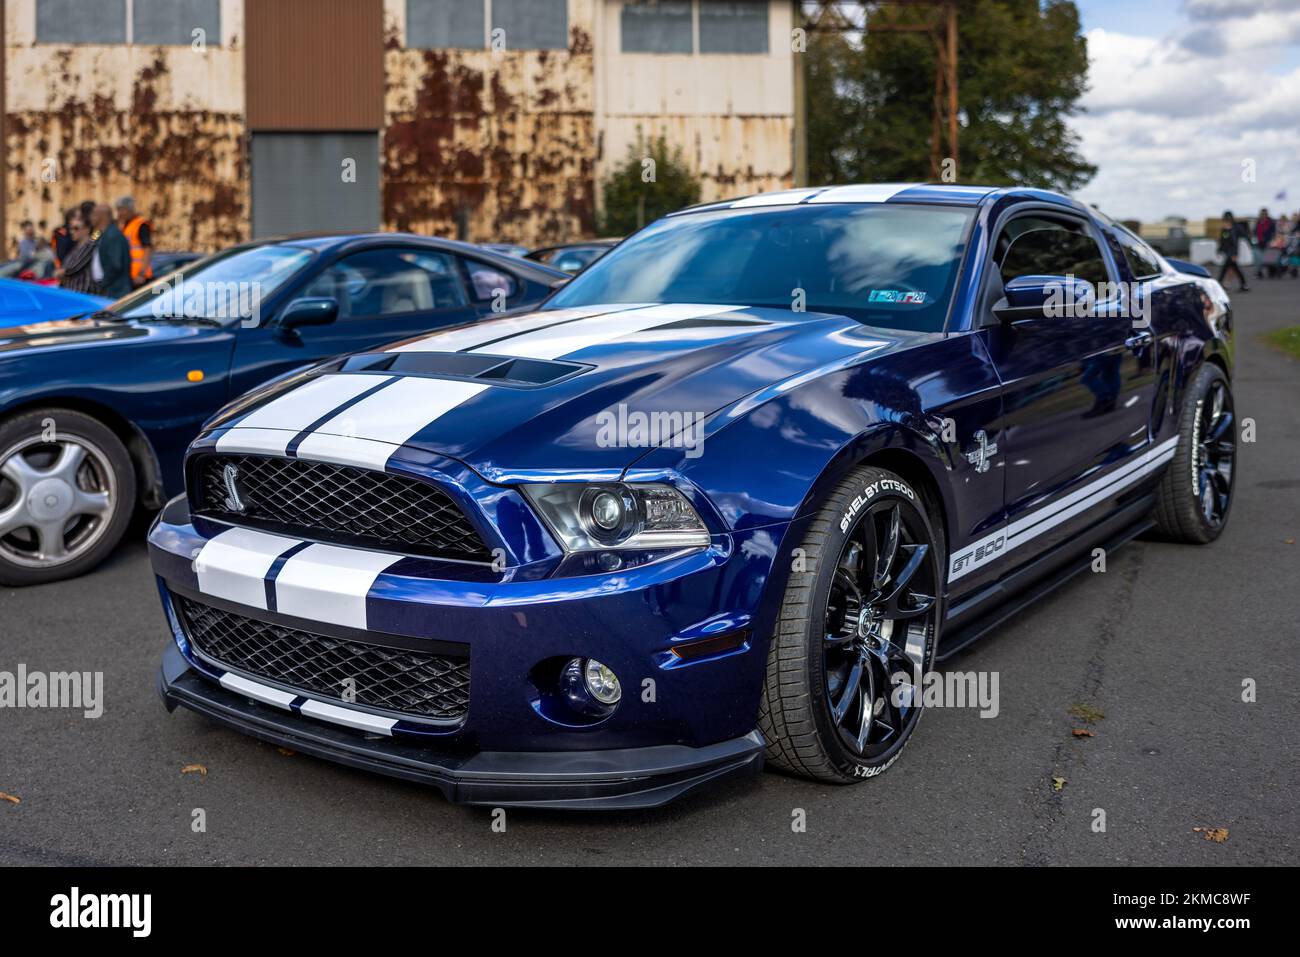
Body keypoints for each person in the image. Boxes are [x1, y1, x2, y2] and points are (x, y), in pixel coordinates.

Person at [90, 203, 132, 298]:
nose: (91, 218)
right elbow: (90, 243)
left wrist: (104, 282)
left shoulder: (113, 235)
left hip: (116, 290)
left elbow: (115, 265)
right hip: (108, 288)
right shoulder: (101, 233)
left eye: (94, 215)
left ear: (102, 217)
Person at [56, 211, 100, 294]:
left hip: (84, 295)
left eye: (76, 228)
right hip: (71, 295)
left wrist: (61, 272)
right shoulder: (75, 248)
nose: (72, 231)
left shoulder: (90, 245)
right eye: (71, 228)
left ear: (87, 229)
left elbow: (73, 267)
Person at [115, 196, 153, 287]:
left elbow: (147, 249)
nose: (119, 213)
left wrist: (141, 274)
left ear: (130, 209)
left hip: (139, 277)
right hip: (128, 276)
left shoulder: (141, 225)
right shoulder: (124, 225)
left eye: (121, 210)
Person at [1217, 211, 1250, 292]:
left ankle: (1218, 284)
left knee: (1225, 269)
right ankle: (1244, 285)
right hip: (1227, 252)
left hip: (1231, 253)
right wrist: (1220, 249)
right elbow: (1223, 241)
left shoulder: (1234, 229)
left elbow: (1235, 243)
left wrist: (1234, 254)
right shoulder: (1225, 230)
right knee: (1235, 269)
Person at [1255, 207, 1275, 279]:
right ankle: (1260, 272)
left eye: (1264, 213)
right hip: (1260, 242)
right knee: (1260, 258)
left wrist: (1271, 239)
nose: (1263, 215)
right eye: (1262, 213)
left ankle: (1271, 272)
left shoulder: (1270, 221)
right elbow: (1256, 231)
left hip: (1268, 241)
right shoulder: (1259, 221)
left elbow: (1273, 231)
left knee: (1269, 258)